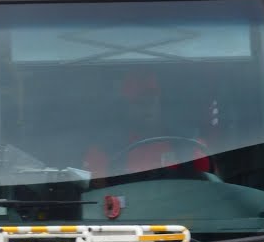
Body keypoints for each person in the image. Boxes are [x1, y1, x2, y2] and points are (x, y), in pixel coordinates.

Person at [83, 67, 213, 187]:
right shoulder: (104, 150)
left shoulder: (190, 144)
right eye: (138, 103)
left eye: (151, 101)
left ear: (160, 104)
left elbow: (209, 189)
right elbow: (98, 197)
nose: (147, 108)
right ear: (124, 108)